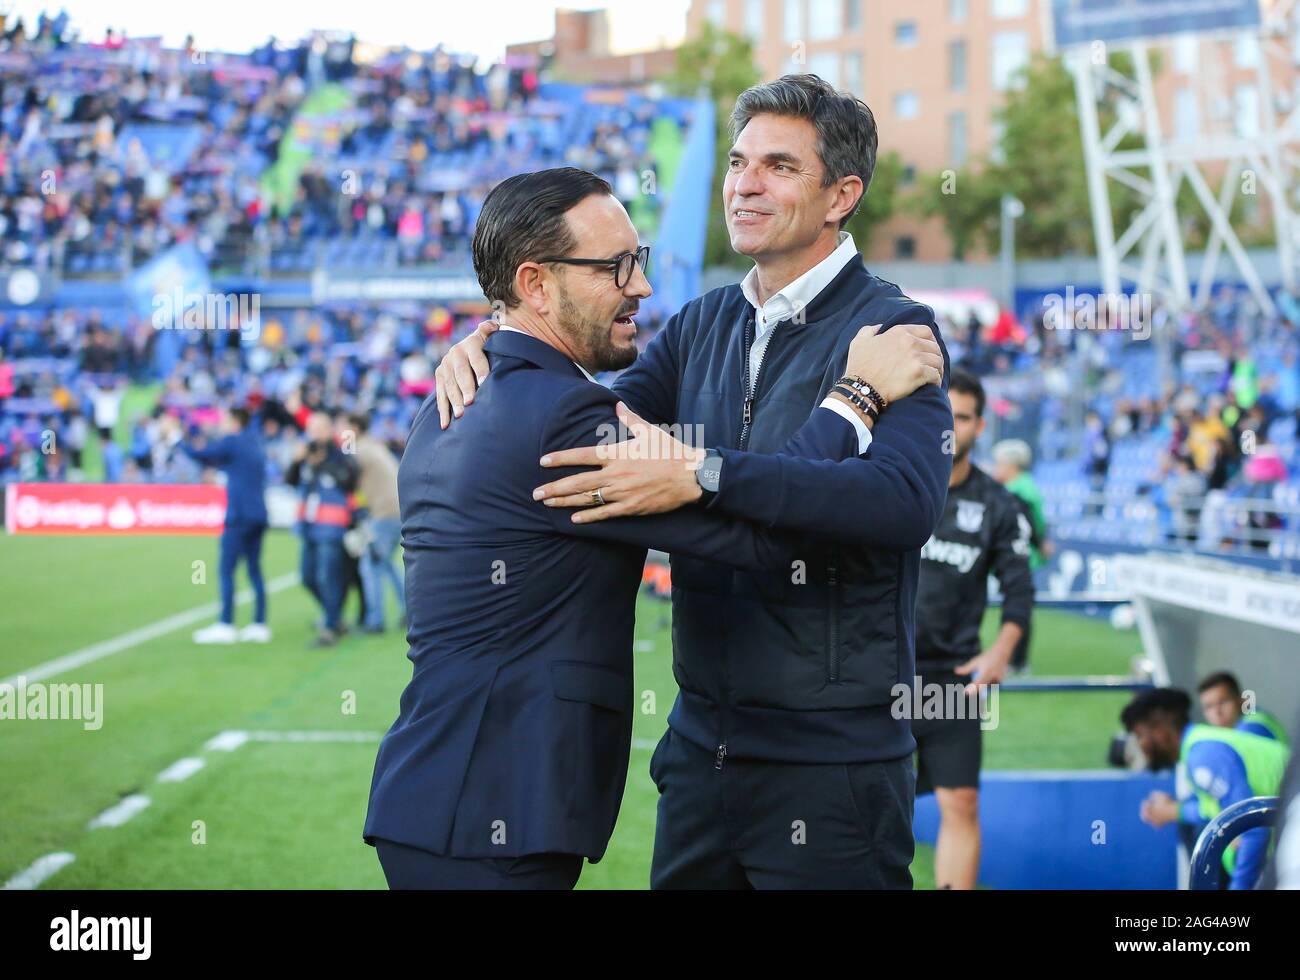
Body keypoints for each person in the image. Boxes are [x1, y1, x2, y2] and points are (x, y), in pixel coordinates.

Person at [433, 75, 953, 888]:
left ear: (841, 195)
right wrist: (500, 340)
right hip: (700, 755)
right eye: (739, 161)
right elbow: (579, 421)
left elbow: (902, 505)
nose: (744, 184)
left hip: (832, 767)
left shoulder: (892, 328)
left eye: (779, 166)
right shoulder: (705, 320)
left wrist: (704, 471)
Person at [910, 371, 1034, 889]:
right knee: (859, 802)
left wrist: (1002, 650)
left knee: (960, 803)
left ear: (979, 426)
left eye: (962, 417)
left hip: (950, 679)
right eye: (944, 412)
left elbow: (1020, 590)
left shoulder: (1000, 506)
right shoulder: (895, 481)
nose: (950, 426)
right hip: (878, 669)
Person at [1125, 687, 1290, 890]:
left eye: (1140, 735)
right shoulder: (1200, 745)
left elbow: (1253, 829)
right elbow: (1212, 807)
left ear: (1159, 731)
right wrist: (1173, 810)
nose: (1140, 745)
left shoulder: (1202, 757)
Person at [183, 407, 271, 644]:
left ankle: (226, 624)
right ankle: (259, 624)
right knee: (254, 570)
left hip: (239, 516)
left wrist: (175, 439)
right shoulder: (255, 442)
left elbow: (201, 455)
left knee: (226, 570)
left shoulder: (233, 441)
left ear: (235, 421)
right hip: (259, 513)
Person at [286, 411, 358, 648]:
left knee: (328, 576)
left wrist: (323, 463)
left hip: (332, 526)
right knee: (307, 577)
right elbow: (290, 481)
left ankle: (329, 627)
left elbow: (350, 478)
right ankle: (334, 617)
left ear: (329, 430)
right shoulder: (306, 453)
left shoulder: (340, 452)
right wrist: (297, 461)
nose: (314, 434)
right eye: (311, 429)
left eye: (318, 429)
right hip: (308, 525)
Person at [991, 437, 1050, 672]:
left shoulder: (1018, 490)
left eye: (999, 463)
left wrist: (1039, 542)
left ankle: (1016, 660)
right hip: (1024, 553)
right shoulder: (1027, 485)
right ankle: (1017, 659)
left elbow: (1028, 523)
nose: (996, 468)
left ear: (1011, 466)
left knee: (1016, 606)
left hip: (1020, 555)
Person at [346, 412, 405, 633]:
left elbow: (344, 467)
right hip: (396, 509)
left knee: (370, 566)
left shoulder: (358, 448)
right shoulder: (374, 445)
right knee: (386, 563)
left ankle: (375, 621)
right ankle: (409, 611)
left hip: (383, 512)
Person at [1197, 671, 1290, 746]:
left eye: (1223, 702)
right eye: (1209, 707)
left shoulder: (1253, 727)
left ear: (1241, 700)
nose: (1217, 712)